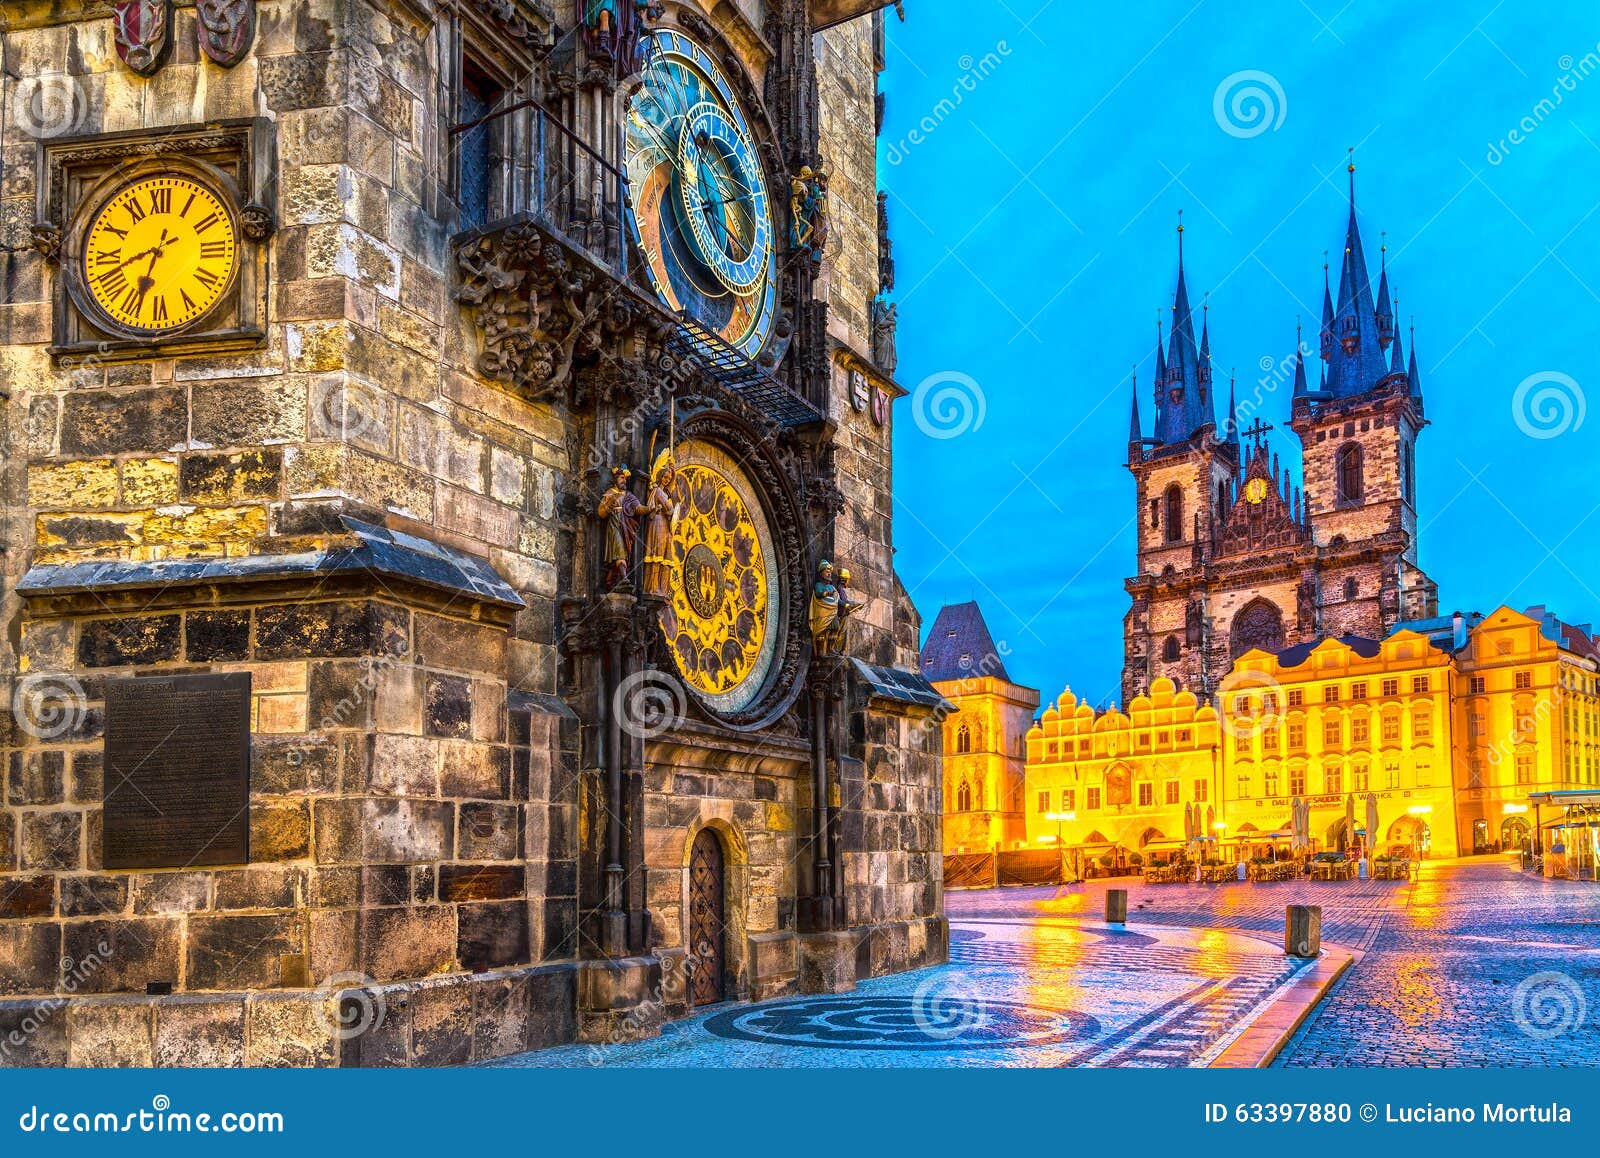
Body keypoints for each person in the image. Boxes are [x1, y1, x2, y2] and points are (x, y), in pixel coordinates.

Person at [639, 458, 678, 599]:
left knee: (666, 558)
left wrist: (675, 472)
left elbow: (672, 492)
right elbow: (668, 509)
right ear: (660, 477)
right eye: (665, 477)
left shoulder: (665, 493)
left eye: (669, 478)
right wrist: (669, 510)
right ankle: (653, 587)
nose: (667, 480)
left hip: (666, 526)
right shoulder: (657, 491)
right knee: (657, 556)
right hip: (658, 523)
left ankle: (663, 589)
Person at [597, 466, 642, 590]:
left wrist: (651, 508)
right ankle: (624, 578)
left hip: (626, 528)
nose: (624, 481)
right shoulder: (610, 493)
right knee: (620, 552)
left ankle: (609, 581)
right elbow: (601, 513)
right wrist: (610, 502)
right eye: (622, 478)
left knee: (621, 555)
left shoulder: (629, 495)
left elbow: (638, 508)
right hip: (614, 526)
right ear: (616, 479)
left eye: (626, 479)